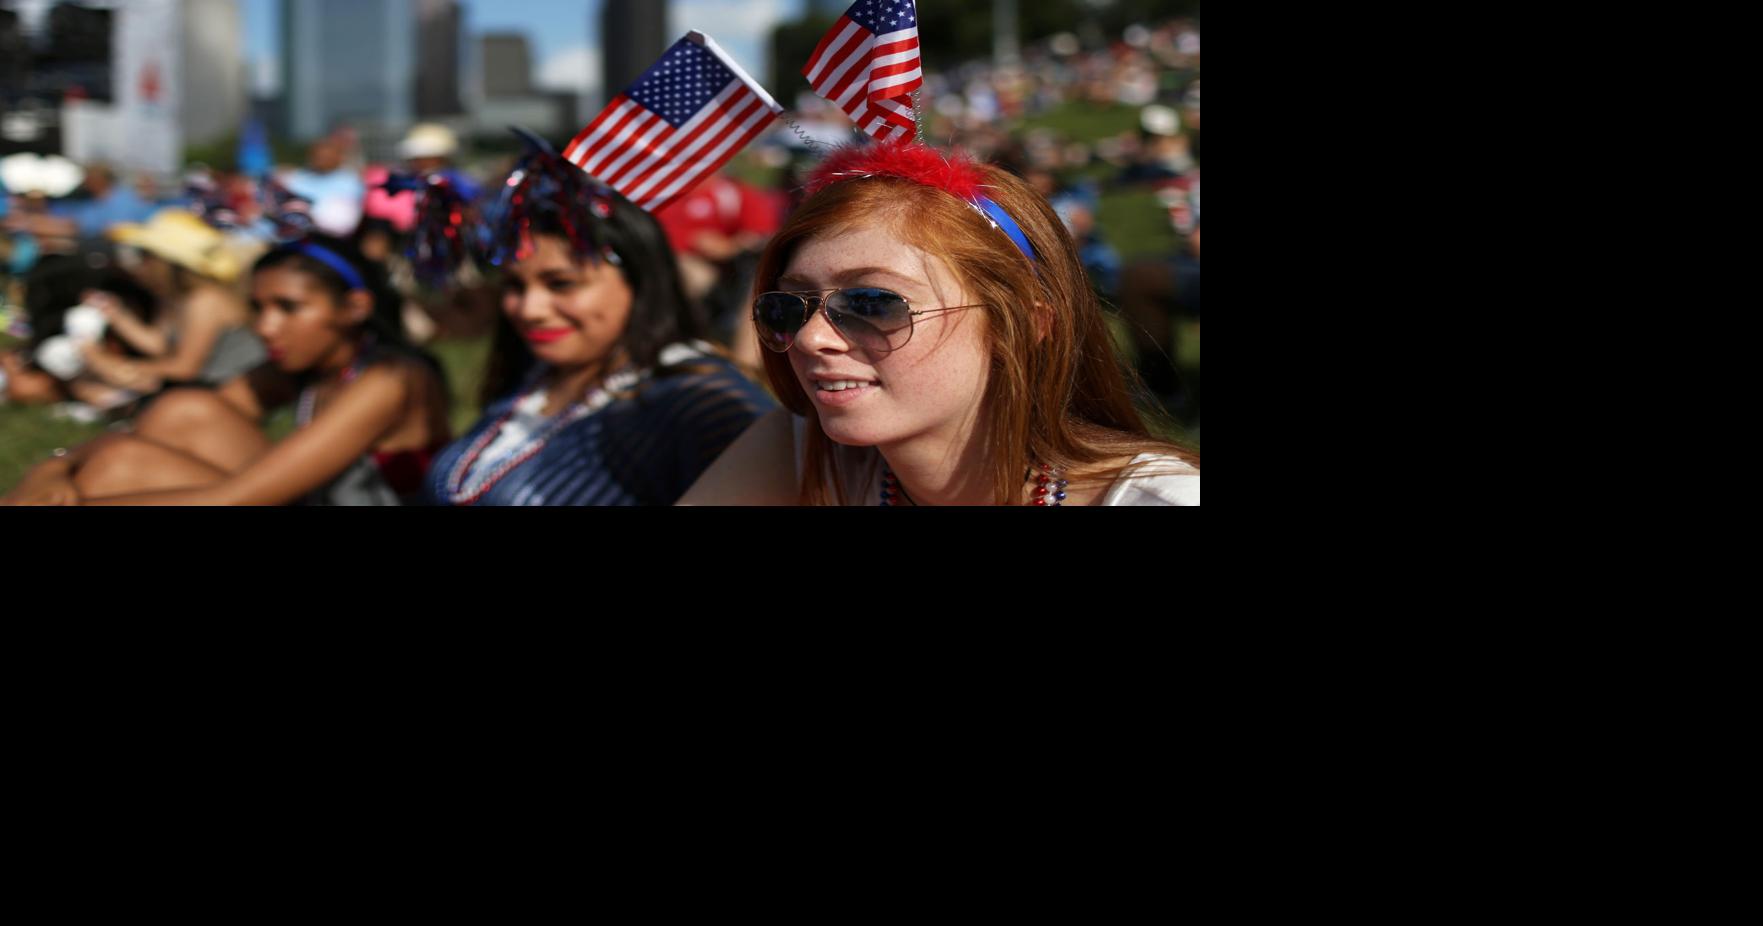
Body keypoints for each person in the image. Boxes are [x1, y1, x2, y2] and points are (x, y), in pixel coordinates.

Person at [680, 140, 1199, 506]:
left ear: (1020, 324)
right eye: (789, 306)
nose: (811, 338)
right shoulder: (796, 453)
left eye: (871, 303)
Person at [423, 141, 775, 506]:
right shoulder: (537, 373)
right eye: (515, 285)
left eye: (562, 283)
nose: (530, 309)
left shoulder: (702, 398)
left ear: (639, 282)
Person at [1, 235, 451, 506]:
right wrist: (55, 466)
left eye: (288, 308)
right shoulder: (307, 370)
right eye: (258, 308)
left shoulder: (394, 379)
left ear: (355, 308)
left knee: (111, 473)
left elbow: (238, 499)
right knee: (176, 414)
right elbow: (142, 435)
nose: (265, 326)